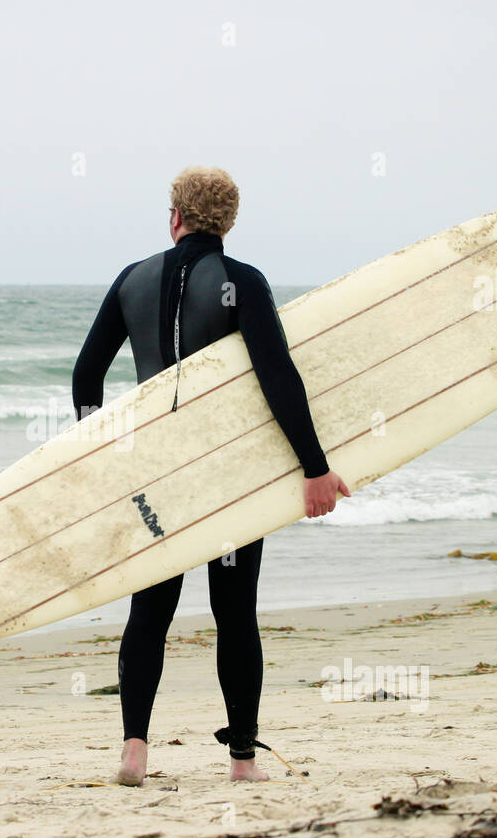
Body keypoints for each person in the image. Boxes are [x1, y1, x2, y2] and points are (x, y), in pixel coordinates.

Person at [71, 167, 350, 785]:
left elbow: (86, 377)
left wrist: (98, 454)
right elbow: (278, 376)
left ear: (175, 217)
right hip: (225, 476)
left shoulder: (131, 280)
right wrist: (315, 467)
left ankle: (134, 751)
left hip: (156, 473)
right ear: (228, 221)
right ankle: (242, 760)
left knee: (150, 608)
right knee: (234, 611)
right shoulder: (242, 282)